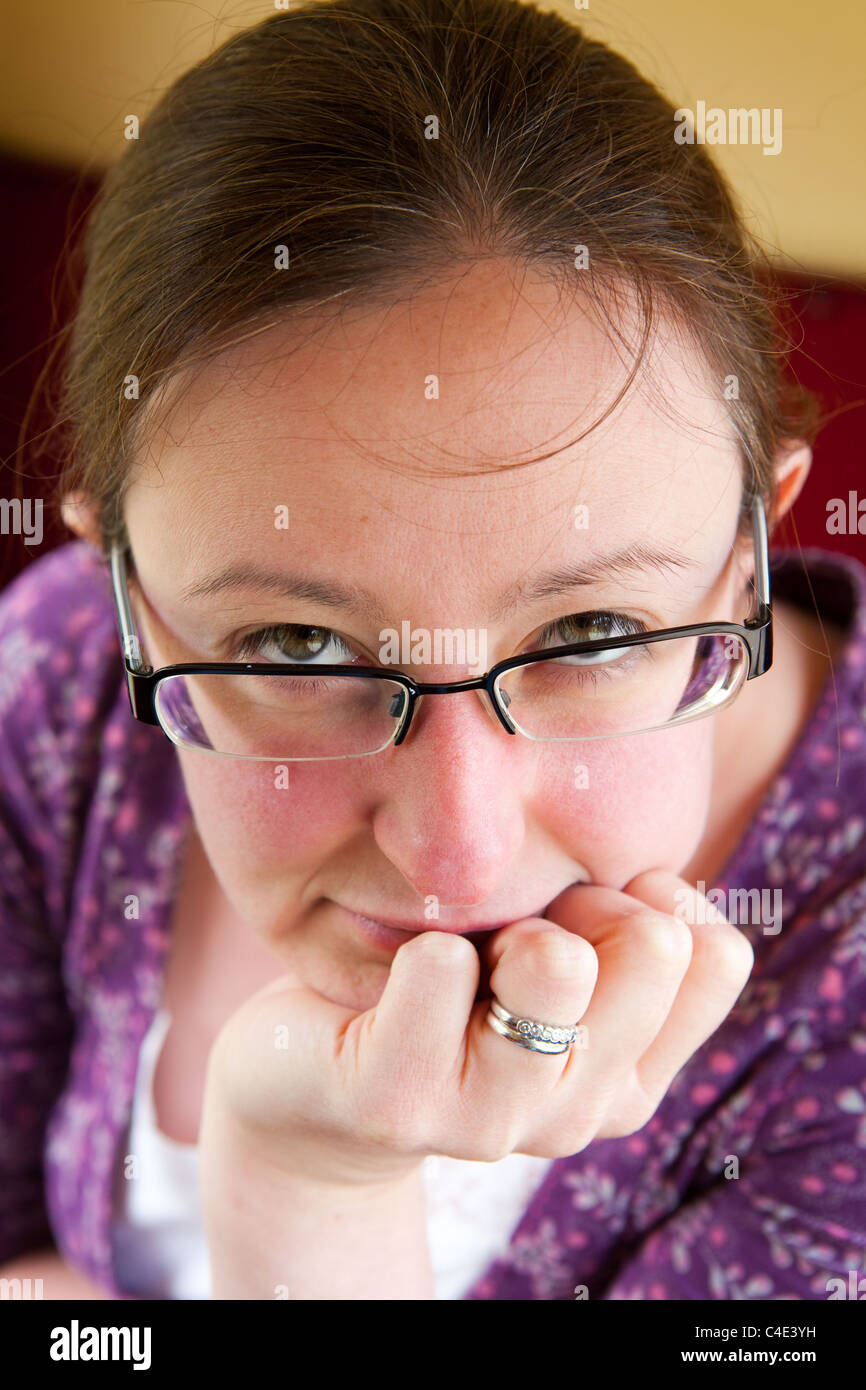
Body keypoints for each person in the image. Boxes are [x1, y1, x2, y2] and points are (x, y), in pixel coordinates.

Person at [1, 0, 864, 1302]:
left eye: (591, 632)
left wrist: (306, 1178)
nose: (454, 851)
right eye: (294, 645)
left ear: (749, 550)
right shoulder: (62, 675)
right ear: (124, 589)